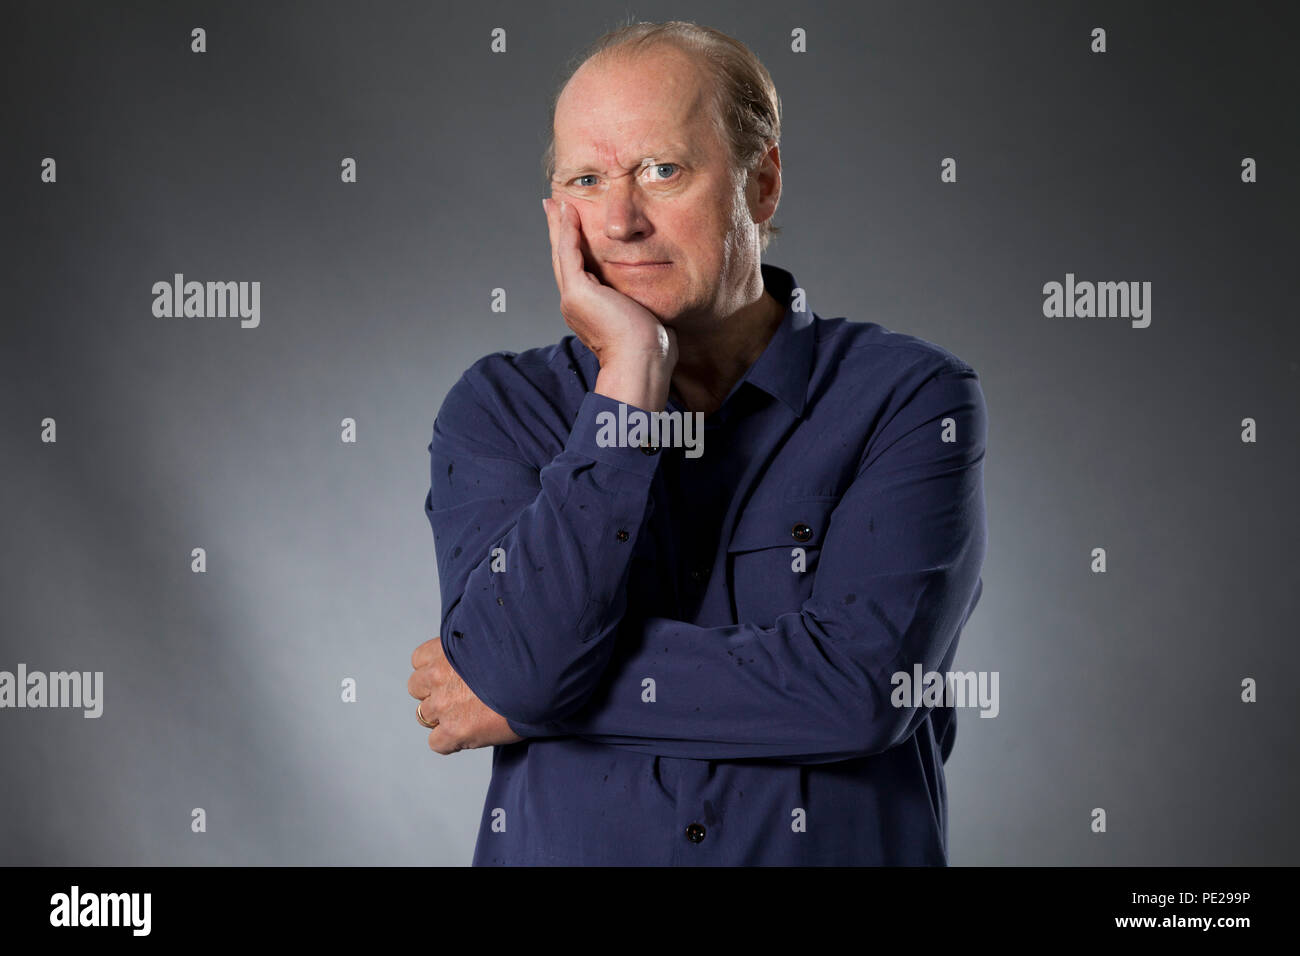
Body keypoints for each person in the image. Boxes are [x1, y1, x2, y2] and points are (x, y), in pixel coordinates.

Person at [409, 19, 987, 865]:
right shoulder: (501, 408)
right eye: (586, 178)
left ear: (762, 183)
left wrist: (534, 686)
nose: (620, 219)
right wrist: (630, 377)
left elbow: (861, 693)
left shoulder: (908, 397)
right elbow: (518, 669)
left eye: (661, 170)